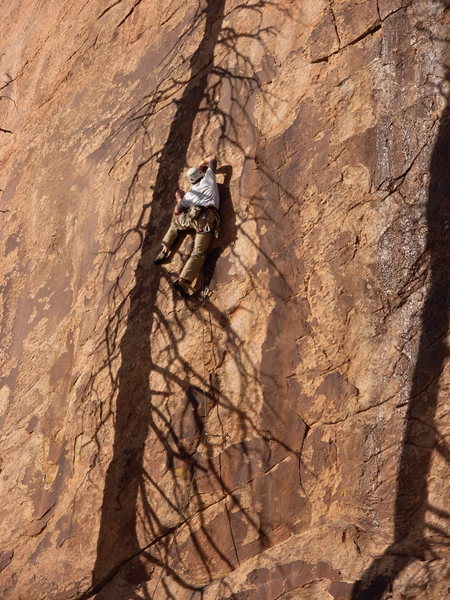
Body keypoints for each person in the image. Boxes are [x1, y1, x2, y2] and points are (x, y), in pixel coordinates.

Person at [154, 154, 220, 295]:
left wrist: (179, 198)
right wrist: (201, 163)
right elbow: (213, 157)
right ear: (202, 173)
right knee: (199, 252)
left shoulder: (190, 194)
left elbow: (177, 212)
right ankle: (182, 281)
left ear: (192, 182)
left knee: (175, 225)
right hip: (206, 221)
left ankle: (165, 250)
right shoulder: (209, 178)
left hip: (192, 217)